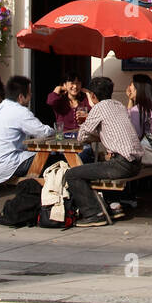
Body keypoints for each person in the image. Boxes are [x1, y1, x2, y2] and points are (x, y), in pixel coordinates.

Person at [63, 77, 144, 228]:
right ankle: (112, 207)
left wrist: (88, 126)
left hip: (121, 164)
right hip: (136, 164)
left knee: (72, 174)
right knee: (99, 165)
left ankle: (94, 214)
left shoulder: (99, 108)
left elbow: (81, 137)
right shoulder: (119, 105)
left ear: (92, 95)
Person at [0, 75, 54, 186]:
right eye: (29, 93)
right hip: (4, 165)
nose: (31, 96)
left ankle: (32, 188)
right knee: (51, 160)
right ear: (21, 97)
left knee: (39, 157)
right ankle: (35, 189)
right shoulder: (19, 111)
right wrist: (56, 132)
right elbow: (43, 133)